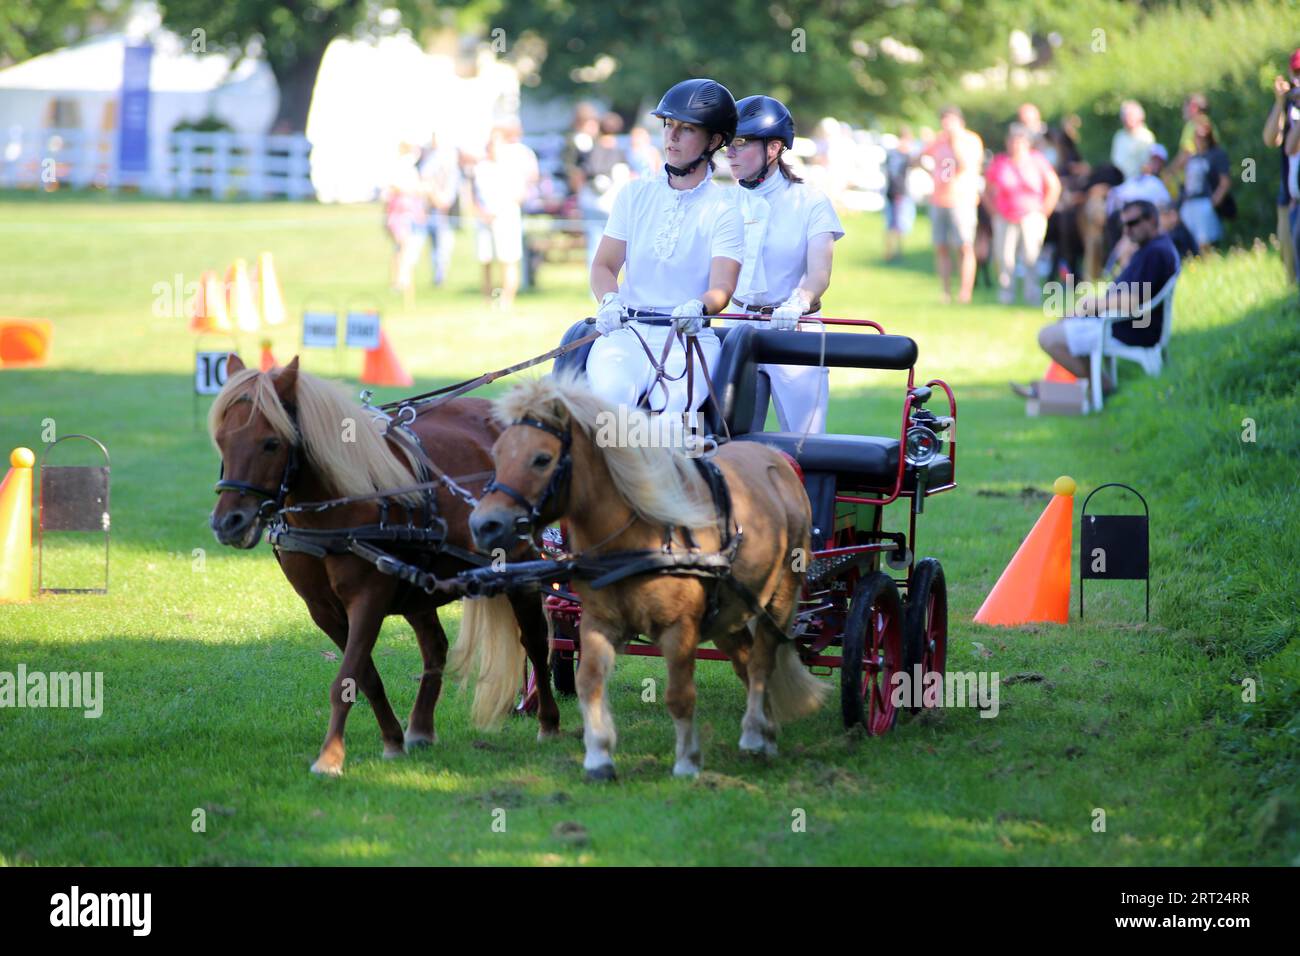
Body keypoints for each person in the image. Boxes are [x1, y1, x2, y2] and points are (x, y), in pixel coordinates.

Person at [587, 78, 744, 417]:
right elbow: (603, 266)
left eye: (686, 129)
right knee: (610, 407)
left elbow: (722, 287)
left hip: (689, 337)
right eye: (669, 125)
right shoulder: (633, 194)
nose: (671, 136)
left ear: (714, 140)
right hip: (628, 333)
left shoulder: (725, 208)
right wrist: (609, 299)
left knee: (672, 417)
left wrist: (698, 308)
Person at [724, 94, 845, 435]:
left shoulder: (810, 201)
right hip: (737, 325)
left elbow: (819, 272)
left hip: (794, 326)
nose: (730, 153)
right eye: (728, 144)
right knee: (731, 440)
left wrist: (798, 301)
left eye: (741, 143)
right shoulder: (722, 201)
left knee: (804, 441)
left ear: (774, 148)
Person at [1014, 200, 1179, 399]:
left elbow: (1134, 301)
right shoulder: (1149, 249)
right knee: (1063, 328)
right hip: (1121, 323)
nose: (1127, 230)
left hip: (1129, 329)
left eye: (1133, 223)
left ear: (1152, 220)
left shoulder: (1156, 252)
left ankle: (1099, 388)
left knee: (1048, 337)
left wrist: (1090, 306)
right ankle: (1062, 391)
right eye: (1124, 225)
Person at [984, 123, 1060, 304]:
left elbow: (1053, 186)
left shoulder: (1037, 160)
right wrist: (994, 212)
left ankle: (1032, 294)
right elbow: (987, 190)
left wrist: (1044, 211)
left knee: (1031, 256)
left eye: (1020, 140)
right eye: (1012, 140)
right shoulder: (1000, 162)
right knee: (1004, 256)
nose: (1015, 145)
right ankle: (1006, 294)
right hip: (1005, 215)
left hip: (1031, 215)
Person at [922, 106, 984, 303]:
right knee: (941, 246)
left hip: (962, 200)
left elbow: (965, 164)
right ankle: (946, 291)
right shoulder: (938, 141)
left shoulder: (970, 140)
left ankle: (965, 292)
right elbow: (919, 157)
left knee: (964, 246)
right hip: (939, 199)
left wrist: (955, 140)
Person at [471, 127, 526, 309]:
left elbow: (519, 193)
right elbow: (474, 194)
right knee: (485, 259)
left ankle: (506, 299)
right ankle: (487, 298)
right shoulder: (481, 168)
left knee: (508, 260)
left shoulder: (512, 167)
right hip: (485, 218)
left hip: (506, 217)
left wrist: (499, 209)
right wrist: (482, 211)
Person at [1265, 49, 1300, 284]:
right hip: (1289, 191)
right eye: (1297, 72)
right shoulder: (1288, 105)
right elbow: (1271, 139)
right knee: (1288, 250)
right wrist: (1280, 103)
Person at [578, 112, 631, 267]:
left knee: (594, 244)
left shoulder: (590, 151)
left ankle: (594, 285)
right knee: (615, 245)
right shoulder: (619, 153)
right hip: (611, 203)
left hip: (591, 201)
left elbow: (581, 175)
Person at [383, 142, 427, 303]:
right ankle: (400, 281)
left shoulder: (410, 170)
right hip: (399, 215)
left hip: (410, 215)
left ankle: (402, 281)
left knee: (405, 249)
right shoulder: (398, 169)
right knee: (403, 248)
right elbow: (396, 190)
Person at [1178, 118, 1231, 252]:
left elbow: (1225, 181)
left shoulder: (1217, 155)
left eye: (1203, 136)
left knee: (1205, 243)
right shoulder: (1193, 158)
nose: (1200, 140)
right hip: (1189, 202)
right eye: (1197, 136)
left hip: (1204, 201)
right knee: (1188, 241)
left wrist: (1213, 203)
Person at [419, 132, 461, 288]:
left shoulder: (449, 159)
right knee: (429, 246)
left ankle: (440, 276)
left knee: (443, 246)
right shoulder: (428, 159)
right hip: (428, 209)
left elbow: (450, 185)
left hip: (444, 210)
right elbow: (425, 181)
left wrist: (443, 200)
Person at [883, 125, 917, 263]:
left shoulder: (891, 154)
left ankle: (892, 252)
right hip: (898, 192)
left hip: (892, 191)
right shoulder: (903, 155)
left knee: (893, 224)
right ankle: (894, 252)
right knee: (897, 225)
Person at [1110, 100, 1155, 182]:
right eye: (1125, 116)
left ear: (1140, 117)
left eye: (1130, 115)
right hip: (1118, 181)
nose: (1127, 119)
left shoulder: (1146, 137)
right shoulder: (1119, 136)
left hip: (1137, 182)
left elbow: (1147, 164)